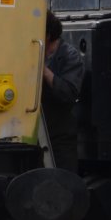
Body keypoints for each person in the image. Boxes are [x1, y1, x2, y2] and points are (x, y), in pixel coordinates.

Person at [41, 11, 85, 166]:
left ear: (47, 35)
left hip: (60, 137)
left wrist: (44, 71)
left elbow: (68, 93)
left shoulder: (70, 56)